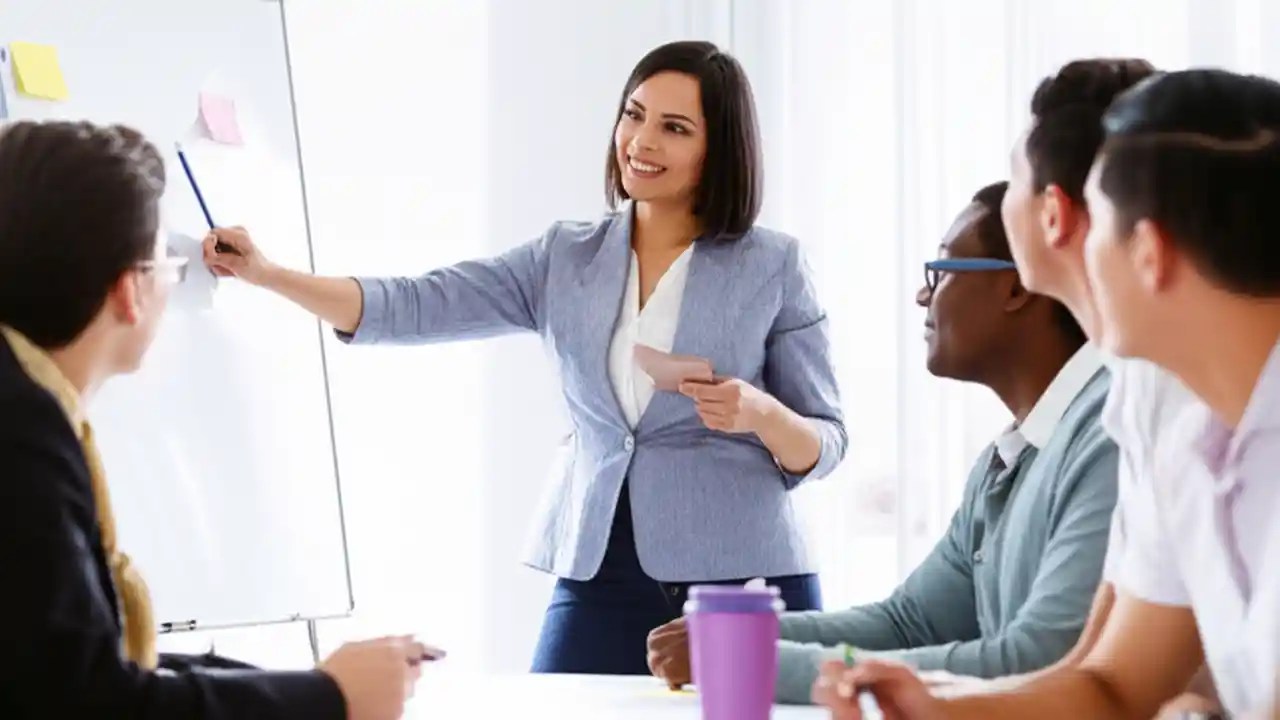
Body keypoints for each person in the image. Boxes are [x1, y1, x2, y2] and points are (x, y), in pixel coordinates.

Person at [203, 40, 846, 674]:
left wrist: (759, 412)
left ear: (718, 150)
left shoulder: (775, 265)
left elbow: (827, 441)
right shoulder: (565, 257)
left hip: (744, 580)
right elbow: (416, 303)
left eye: (674, 128)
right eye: (634, 114)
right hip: (600, 566)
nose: (641, 141)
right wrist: (267, 274)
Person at [816, 68, 1280, 720]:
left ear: (1149, 252)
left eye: (1102, 225)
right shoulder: (1183, 438)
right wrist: (938, 706)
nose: (1085, 253)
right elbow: (1113, 684)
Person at [0, 120, 429, 719]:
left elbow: (68, 658)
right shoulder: (24, 442)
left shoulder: (25, 407)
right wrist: (328, 697)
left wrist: (309, 683)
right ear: (129, 291)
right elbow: (91, 700)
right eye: (165, 263)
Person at [647, 181, 1118, 703]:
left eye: (942, 272)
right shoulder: (1006, 460)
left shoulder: (1109, 437)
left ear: (1015, 287)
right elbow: (910, 623)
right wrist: (737, 636)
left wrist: (747, 660)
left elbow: (1035, 662)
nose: (923, 295)